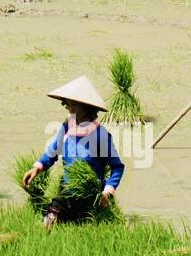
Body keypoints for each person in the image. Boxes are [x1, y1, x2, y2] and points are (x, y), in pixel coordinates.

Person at [22, 75, 124, 229]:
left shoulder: (100, 135)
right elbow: (53, 151)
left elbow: (117, 167)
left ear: (85, 107)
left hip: (90, 195)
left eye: (72, 105)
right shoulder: (67, 126)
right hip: (67, 190)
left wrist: (106, 193)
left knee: (83, 221)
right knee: (53, 212)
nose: (68, 108)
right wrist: (37, 167)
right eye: (67, 104)